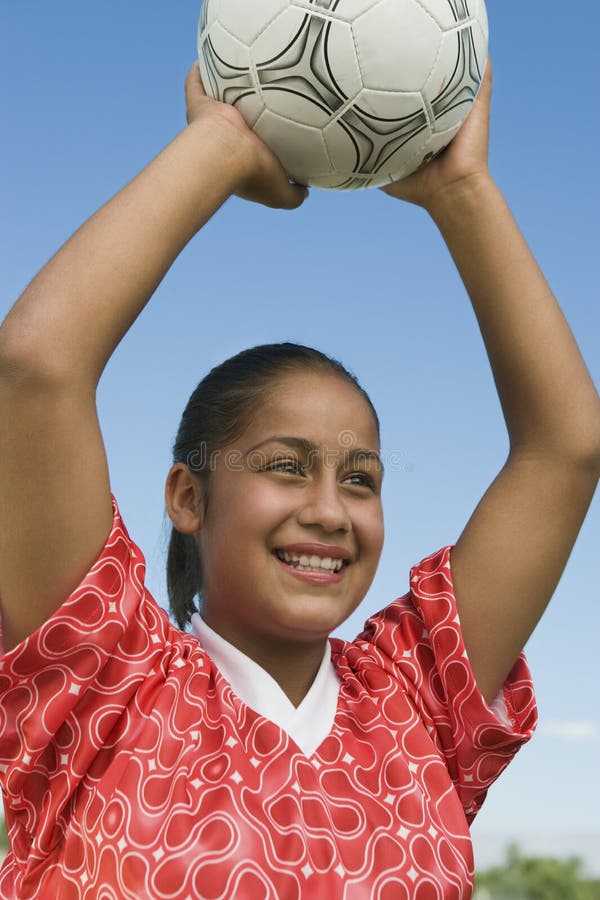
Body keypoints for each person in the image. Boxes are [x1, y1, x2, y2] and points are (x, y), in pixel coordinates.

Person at [0, 58, 598, 899]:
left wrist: (463, 191)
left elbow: (565, 449)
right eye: (286, 467)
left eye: (361, 480)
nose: (329, 511)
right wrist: (221, 147)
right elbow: (34, 370)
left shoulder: (419, 703)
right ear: (188, 497)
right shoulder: (104, 683)